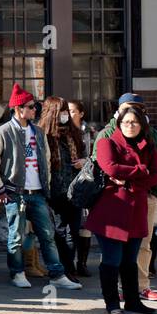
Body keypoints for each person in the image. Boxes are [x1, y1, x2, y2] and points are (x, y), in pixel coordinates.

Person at [0, 84, 82, 290]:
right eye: (30, 106)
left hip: (37, 193)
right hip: (14, 192)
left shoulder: (37, 132)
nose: (35, 109)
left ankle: (57, 273)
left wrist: (45, 187)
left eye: (34, 106)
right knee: (16, 236)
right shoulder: (3, 132)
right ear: (19, 109)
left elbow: (45, 159)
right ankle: (17, 272)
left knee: (48, 235)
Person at [84, 106, 157, 314]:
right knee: (112, 259)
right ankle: (112, 303)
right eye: (126, 122)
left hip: (136, 211)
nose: (130, 126)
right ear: (119, 123)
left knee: (130, 260)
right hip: (111, 211)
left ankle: (133, 301)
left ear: (141, 124)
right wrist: (140, 170)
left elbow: (155, 175)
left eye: (134, 122)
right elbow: (110, 167)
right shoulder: (106, 142)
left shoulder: (149, 145)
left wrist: (128, 176)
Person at [38, 96, 87, 278]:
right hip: (54, 191)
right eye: (62, 111)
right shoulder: (43, 135)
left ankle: (69, 267)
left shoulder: (74, 134)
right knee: (59, 231)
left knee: (73, 231)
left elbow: (85, 156)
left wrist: (84, 161)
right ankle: (64, 267)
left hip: (75, 189)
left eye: (67, 111)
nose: (65, 115)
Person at [66, 99, 96, 275]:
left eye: (72, 111)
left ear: (81, 113)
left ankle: (82, 263)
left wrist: (87, 161)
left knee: (86, 225)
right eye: (67, 111)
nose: (69, 115)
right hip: (69, 181)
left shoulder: (90, 132)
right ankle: (68, 263)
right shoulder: (64, 132)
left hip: (87, 181)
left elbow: (98, 154)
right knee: (71, 226)